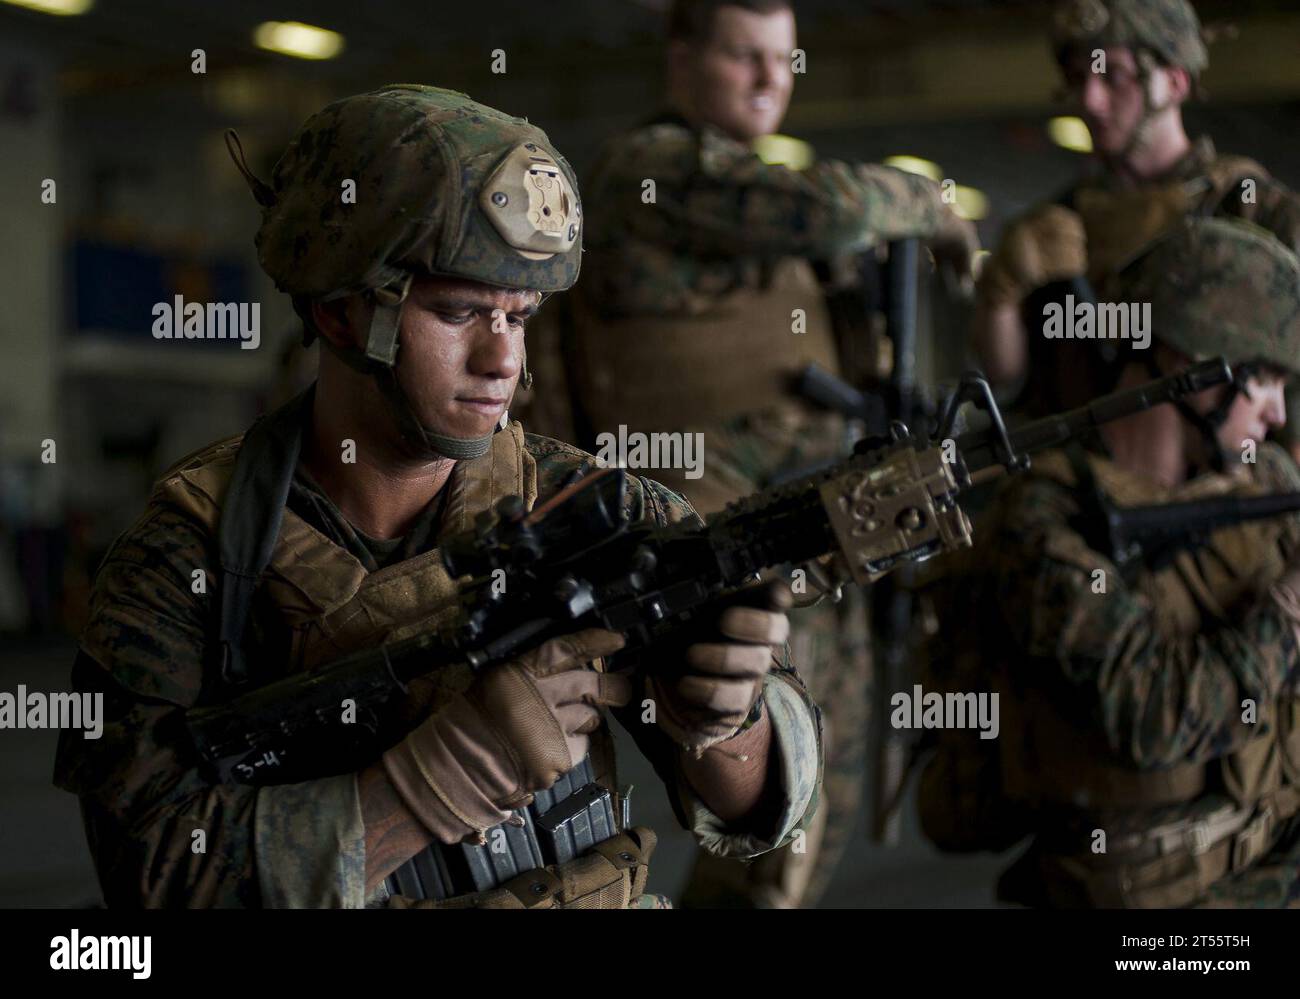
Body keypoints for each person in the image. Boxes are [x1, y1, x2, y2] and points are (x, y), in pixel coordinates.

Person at [52, 85, 823, 910]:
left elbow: (760, 806)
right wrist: (436, 779)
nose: (502, 359)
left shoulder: (592, 510)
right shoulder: (191, 555)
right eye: (459, 312)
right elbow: (152, 872)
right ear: (343, 314)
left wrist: (722, 721)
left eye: (519, 316)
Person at [520, 0, 977, 909]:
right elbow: (828, 206)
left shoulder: (754, 205)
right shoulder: (650, 174)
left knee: (809, 810)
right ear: (681, 58)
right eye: (745, 56)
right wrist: (930, 203)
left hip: (801, 536)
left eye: (786, 59)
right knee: (771, 833)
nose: (773, 79)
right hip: (708, 538)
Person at [923, 217, 1300, 907]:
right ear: (1191, 368)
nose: (1278, 412)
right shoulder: (1045, 520)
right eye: (1265, 380)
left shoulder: (1263, 478)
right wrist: (1287, 613)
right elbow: (1153, 715)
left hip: (1269, 856)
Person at [973, 0, 1300, 431]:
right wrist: (1000, 295)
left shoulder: (1255, 211)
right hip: (1086, 482)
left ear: (1176, 82)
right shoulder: (1056, 226)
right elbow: (1005, 373)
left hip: (1226, 482)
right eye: (1078, 78)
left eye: (1114, 76)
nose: (1090, 100)